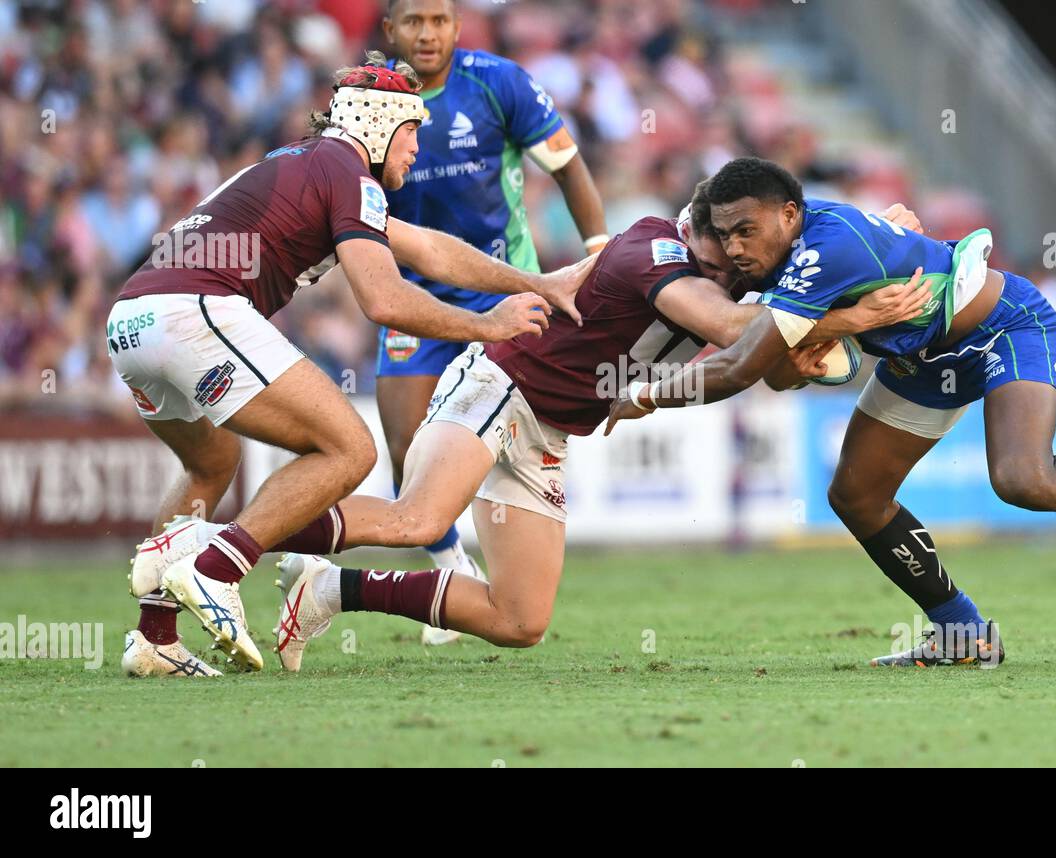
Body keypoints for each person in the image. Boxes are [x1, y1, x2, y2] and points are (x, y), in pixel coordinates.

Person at [604, 157, 1056, 668]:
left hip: (1003, 326)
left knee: (1024, 480)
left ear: (789, 214)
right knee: (856, 496)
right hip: (923, 360)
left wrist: (647, 394)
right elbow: (778, 374)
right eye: (725, 236)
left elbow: (743, 368)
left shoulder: (825, 252)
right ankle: (964, 633)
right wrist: (837, 328)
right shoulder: (779, 257)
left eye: (746, 231)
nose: (735, 250)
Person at [266, 193, 932, 671]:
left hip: (547, 433)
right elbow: (736, 332)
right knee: (418, 519)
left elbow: (771, 367)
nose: (730, 273)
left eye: (736, 264)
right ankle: (227, 543)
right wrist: (851, 316)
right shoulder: (654, 250)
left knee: (518, 621)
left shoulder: (727, 271)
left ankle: (328, 590)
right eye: (719, 261)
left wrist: (857, 271)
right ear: (695, 231)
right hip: (503, 388)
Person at [114, 54, 589, 677]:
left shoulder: (316, 163)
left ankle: (154, 635)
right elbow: (385, 301)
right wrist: (488, 325)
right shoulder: (350, 173)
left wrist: (535, 282)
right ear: (378, 124)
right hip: (192, 312)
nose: (418, 147)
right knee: (350, 449)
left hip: (132, 320)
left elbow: (430, 251)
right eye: (412, 129)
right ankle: (213, 567)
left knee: (212, 463)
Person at [373, 0, 609, 647]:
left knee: (524, 436)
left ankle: (520, 567)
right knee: (404, 446)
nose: (427, 33)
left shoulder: (498, 83)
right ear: (390, 29)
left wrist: (598, 252)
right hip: (411, 298)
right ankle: (452, 567)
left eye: (439, 20)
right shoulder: (373, 100)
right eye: (413, 21)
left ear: (457, 26)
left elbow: (567, 165)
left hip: (508, 291)